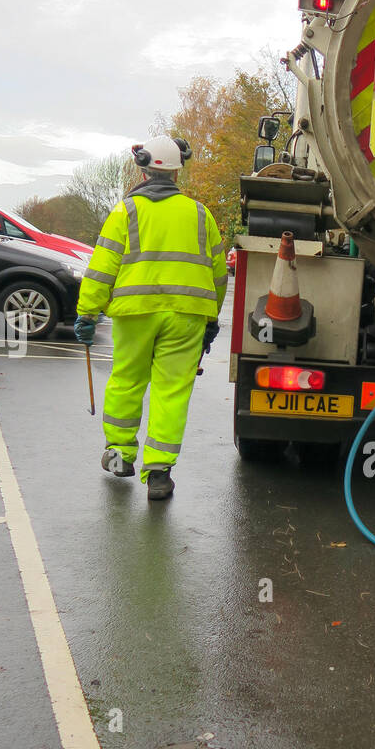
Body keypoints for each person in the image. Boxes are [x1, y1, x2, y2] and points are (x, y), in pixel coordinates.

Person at [74, 136, 228, 500]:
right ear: (177, 170)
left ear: (143, 168)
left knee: (127, 379)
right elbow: (218, 273)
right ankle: (159, 472)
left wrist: (87, 312)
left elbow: (101, 269)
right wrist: (211, 316)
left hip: (135, 314)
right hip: (187, 315)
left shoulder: (124, 211)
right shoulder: (199, 214)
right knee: (171, 391)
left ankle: (120, 455)